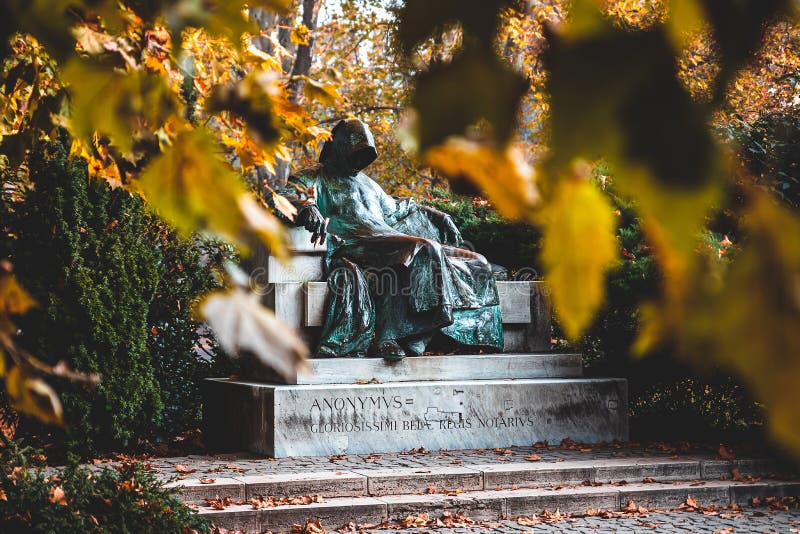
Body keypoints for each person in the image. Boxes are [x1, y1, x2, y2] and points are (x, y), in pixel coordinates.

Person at [284, 119, 503, 360]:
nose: (361, 158)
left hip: (389, 241)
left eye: (365, 152)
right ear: (340, 146)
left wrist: (438, 216)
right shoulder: (316, 176)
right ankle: (395, 336)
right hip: (354, 243)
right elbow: (286, 196)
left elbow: (398, 209)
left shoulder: (370, 185)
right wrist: (306, 207)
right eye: (357, 150)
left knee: (477, 261)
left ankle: (461, 334)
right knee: (423, 248)